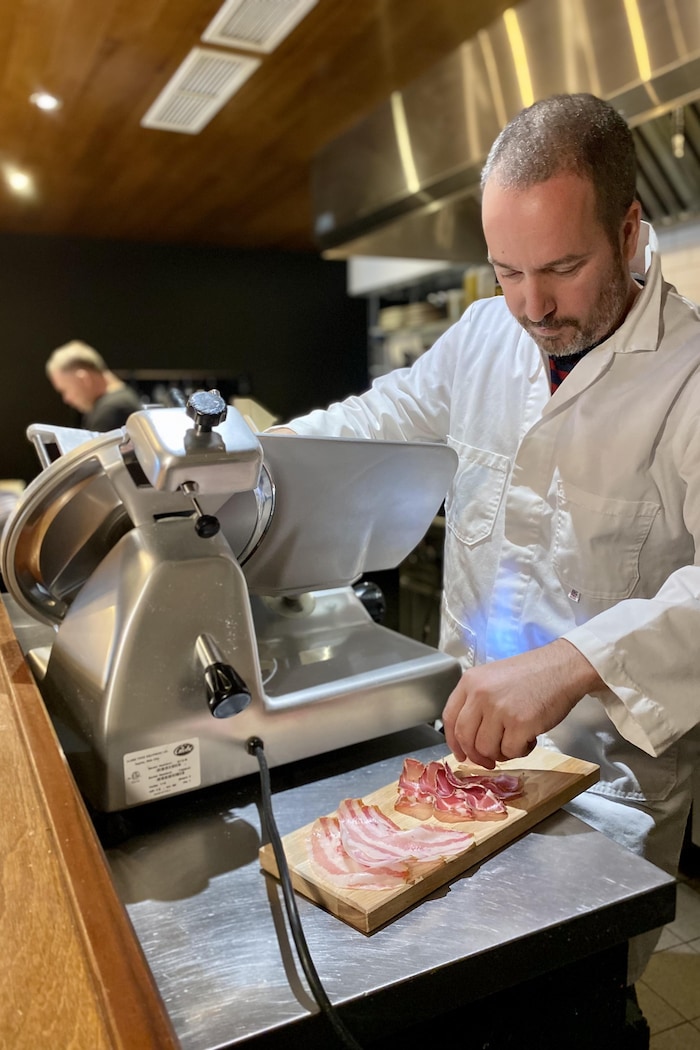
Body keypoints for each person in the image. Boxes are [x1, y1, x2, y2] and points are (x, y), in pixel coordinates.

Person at [271, 93, 700, 983]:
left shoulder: (689, 377)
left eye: (563, 267)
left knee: (577, 1006)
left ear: (628, 232)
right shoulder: (481, 337)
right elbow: (377, 420)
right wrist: (241, 462)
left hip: (606, 781)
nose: (532, 305)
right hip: (462, 758)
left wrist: (573, 661)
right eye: (506, 270)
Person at [46, 340, 143, 431]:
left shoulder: (109, 412)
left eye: (65, 390)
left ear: (84, 380)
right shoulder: (122, 399)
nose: (67, 399)